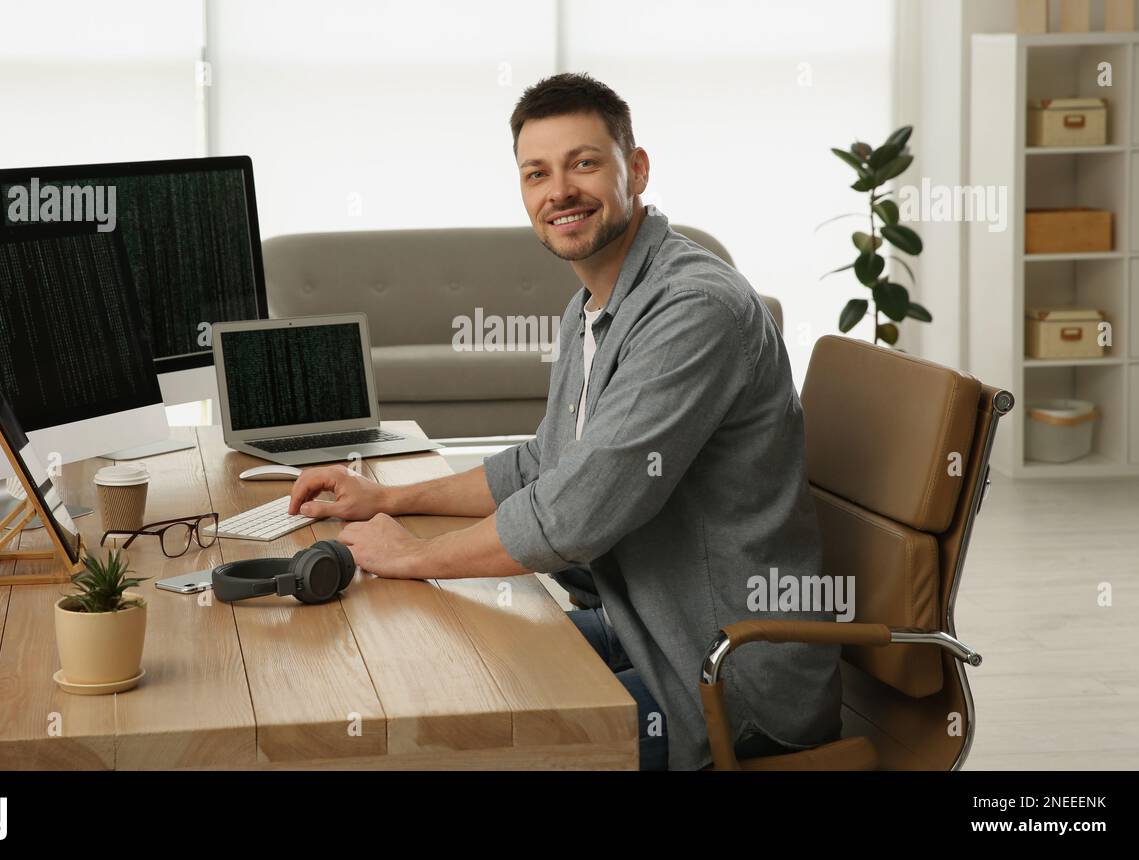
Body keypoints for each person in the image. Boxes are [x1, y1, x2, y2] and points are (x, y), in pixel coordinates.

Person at [288, 72, 841, 771]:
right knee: (438, 674)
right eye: (536, 173)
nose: (560, 192)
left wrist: (413, 557)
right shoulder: (591, 309)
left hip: (721, 682)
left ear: (635, 169)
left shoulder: (693, 311)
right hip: (641, 627)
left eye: (584, 163)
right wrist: (389, 499)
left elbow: (575, 512)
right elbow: (545, 463)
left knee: (464, 747)